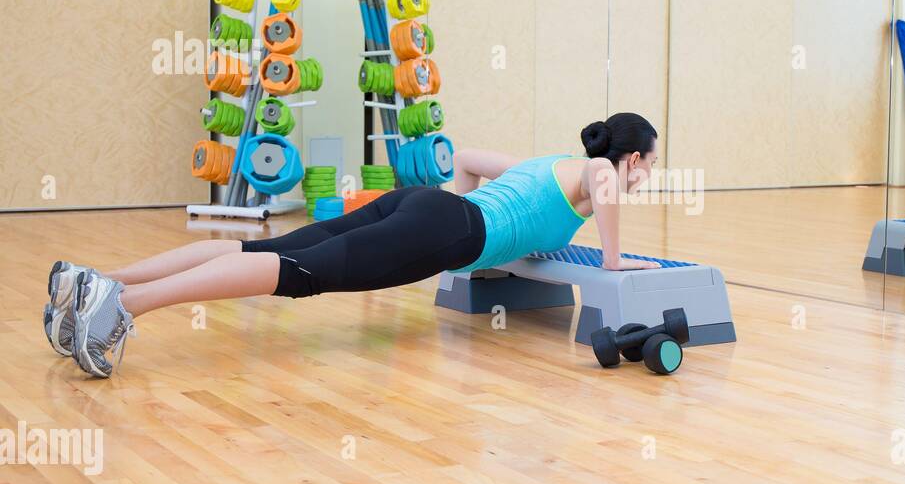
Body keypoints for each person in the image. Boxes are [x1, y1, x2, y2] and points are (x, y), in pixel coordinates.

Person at [45, 113, 660, 378]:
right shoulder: (602, 174)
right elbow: (606, 216)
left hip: (425, 206)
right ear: (630, 157)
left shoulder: (547, 163)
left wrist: (474, 220)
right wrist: (614, 260)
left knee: (266, 251)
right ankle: (122, 309)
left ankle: (102, 282)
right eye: (648, 166)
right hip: (442, 229)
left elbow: (468, 159)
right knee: (297, 272)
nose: (644, 177)